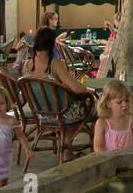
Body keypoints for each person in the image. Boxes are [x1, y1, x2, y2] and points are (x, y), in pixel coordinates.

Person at [25, 26, 95, 158]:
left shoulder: (28, 65)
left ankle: (64, 148)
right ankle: (66, 148)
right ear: (52, 45)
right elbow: (77, 88)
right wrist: (88, 90)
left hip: (41, 114)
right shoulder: (54, 65)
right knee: (92, 106)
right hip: (61, 114)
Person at [93, 80, 133, 152]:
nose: (124, 105)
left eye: (127, 101)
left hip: (127, 160)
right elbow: (98, 147)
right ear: (108, 103)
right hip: (108, 161)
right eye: (119, 102)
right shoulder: (102, 123)